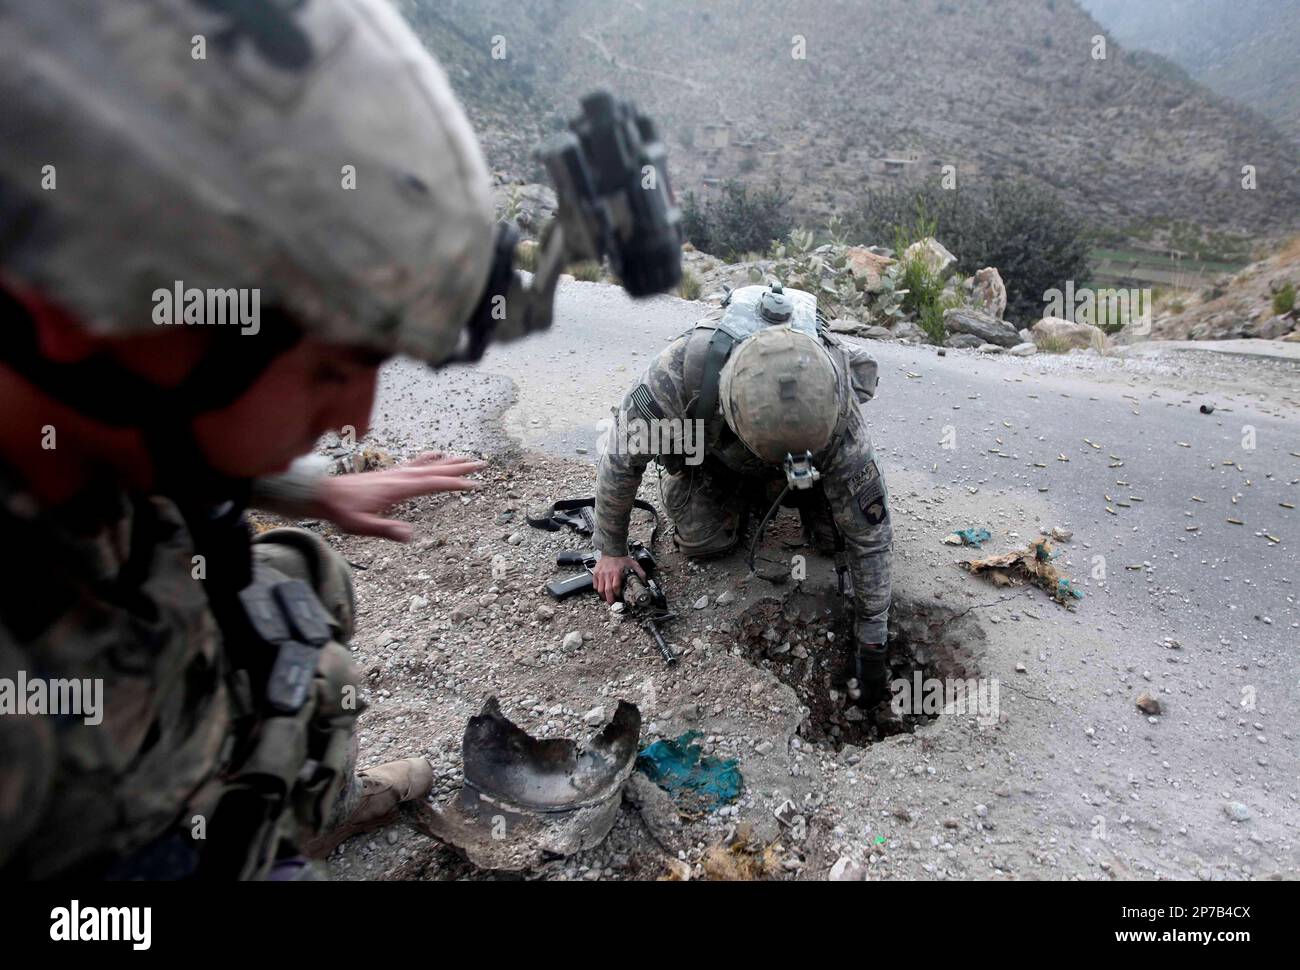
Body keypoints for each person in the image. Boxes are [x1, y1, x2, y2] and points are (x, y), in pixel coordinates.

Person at [0, 0, 499, 879]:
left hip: (166, 667)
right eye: (331, 371)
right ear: (81, 307)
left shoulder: (95, 392)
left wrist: (307, 488)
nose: (358, 423)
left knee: (307, 585)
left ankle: (285, 798)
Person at [590, 283, 894, 701]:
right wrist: (611, 548)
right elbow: (621, 461)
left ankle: (784, 486)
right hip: (719, 457)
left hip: (797, 463)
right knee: (701, 541)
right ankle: (747, 488)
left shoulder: (836, 409)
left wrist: (872, 644)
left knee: (836, 538)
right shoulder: (679, 377)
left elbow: (871, 536)